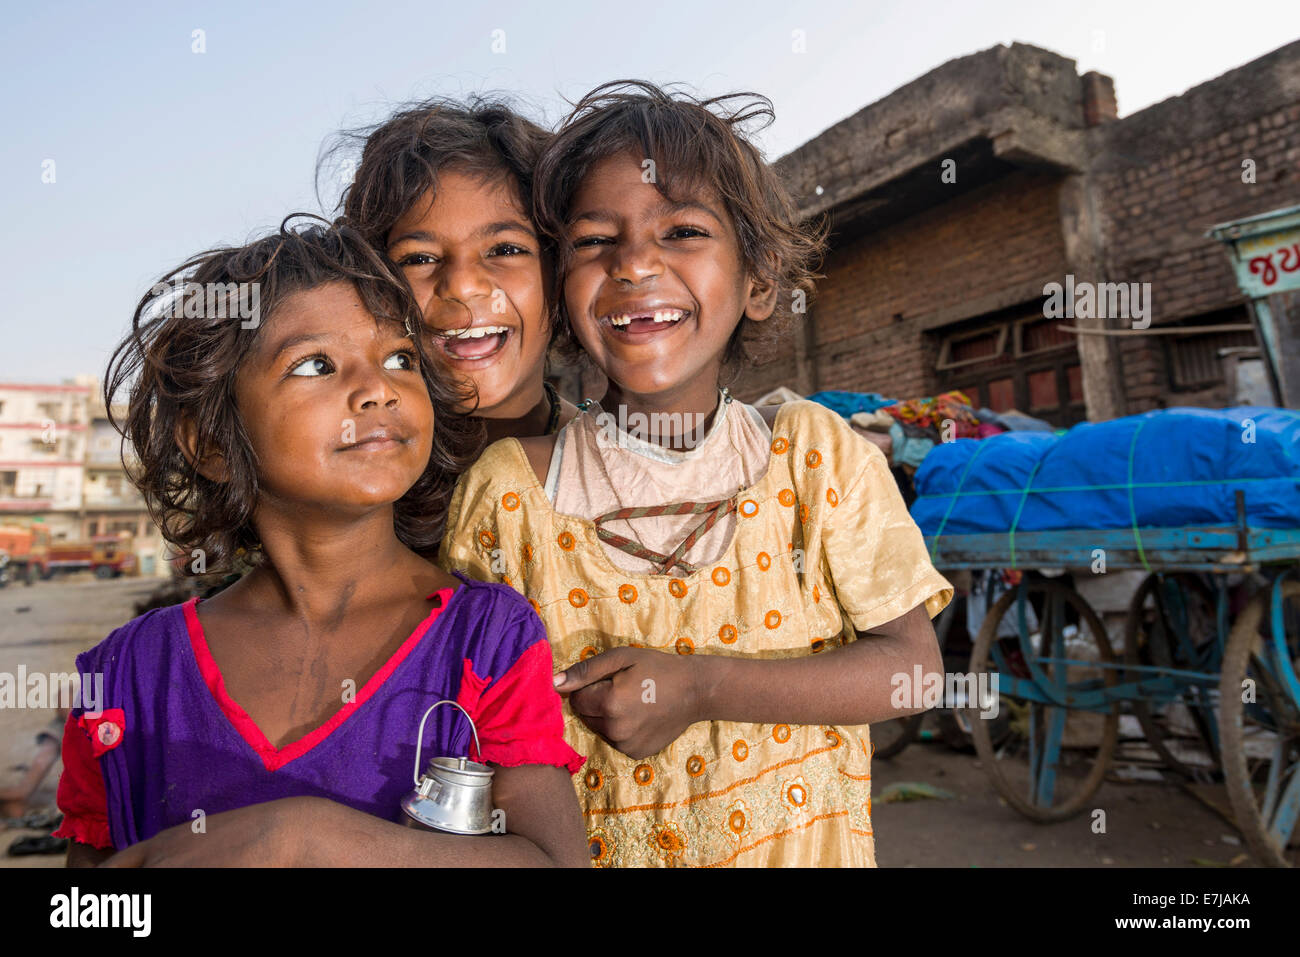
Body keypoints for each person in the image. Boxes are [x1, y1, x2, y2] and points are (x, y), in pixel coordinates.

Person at [440, 81, 952, 867]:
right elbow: (477, 738)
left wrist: (705, 685)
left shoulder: (818, 458)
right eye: (593, 241)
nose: (635, 263)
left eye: (681, 231)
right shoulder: (511, 496)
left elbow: (914, 673)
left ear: (757, 282)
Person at [53, 218, 588, 867]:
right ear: (213, 443)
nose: (378, 388)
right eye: (316, 364)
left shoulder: (489, 637)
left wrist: (304, 836)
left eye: (400, 358)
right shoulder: (126, 678)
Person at [336, 96, 578, 450]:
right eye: (419, 259)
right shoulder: (350, 481)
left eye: (505, 250)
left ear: (561, 268)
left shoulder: (633, 476)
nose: (462, 286)